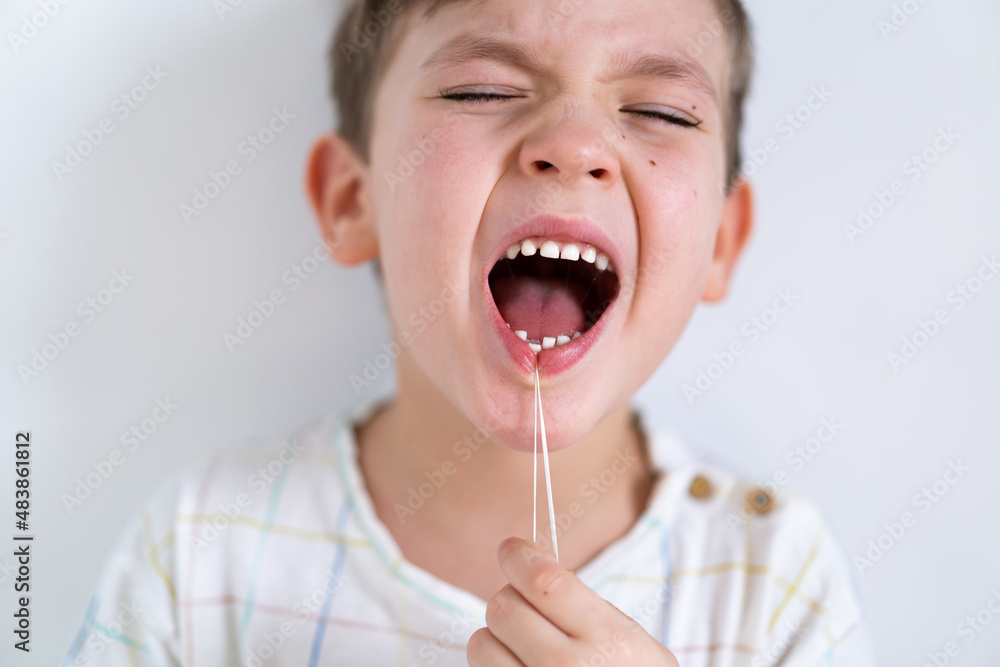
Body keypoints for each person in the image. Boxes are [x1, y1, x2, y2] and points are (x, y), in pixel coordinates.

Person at [64, 0, 878, 665]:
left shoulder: (773, 577)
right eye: (481, 91)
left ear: (721, 244)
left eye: (659, 110)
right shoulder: (204, 549)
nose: (574, 145)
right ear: (353, 201)